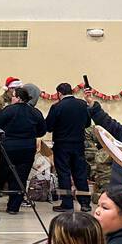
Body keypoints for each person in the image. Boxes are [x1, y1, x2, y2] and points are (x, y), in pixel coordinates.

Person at [43, 82, 92, 212]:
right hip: (79, 144)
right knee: (80, 173)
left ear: (59, 93)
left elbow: (49, 126)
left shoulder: (57, 107)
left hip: (62, 145)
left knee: (63, 173)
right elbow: (88, 123)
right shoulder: (82, 105)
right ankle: (85, 203)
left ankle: (67, 203)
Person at [0, 84, 45, 213]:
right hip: (27, 149)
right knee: (20, 178)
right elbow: (41, 131)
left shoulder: (8, 110)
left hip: (8, 148)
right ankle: (13, 207)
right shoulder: (35, 112)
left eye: (13, 96)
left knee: (0, 177)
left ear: (18, 98)